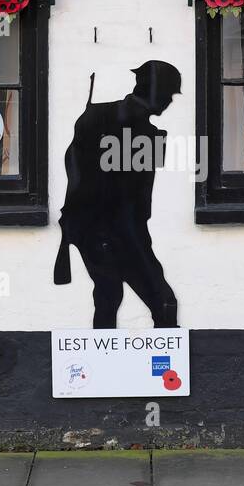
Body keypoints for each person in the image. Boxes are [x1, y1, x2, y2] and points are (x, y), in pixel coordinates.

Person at [55, 61, 181, 329]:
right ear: (155, 91)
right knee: (162, 302)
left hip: (99, 229)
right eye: (169, 93)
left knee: (109, 296)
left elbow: (72, 166)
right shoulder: (137, 130)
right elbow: (129, 196)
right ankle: (162, 367)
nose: (170, 101)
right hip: (114, 231)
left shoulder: (98, 117)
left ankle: (105, 366)